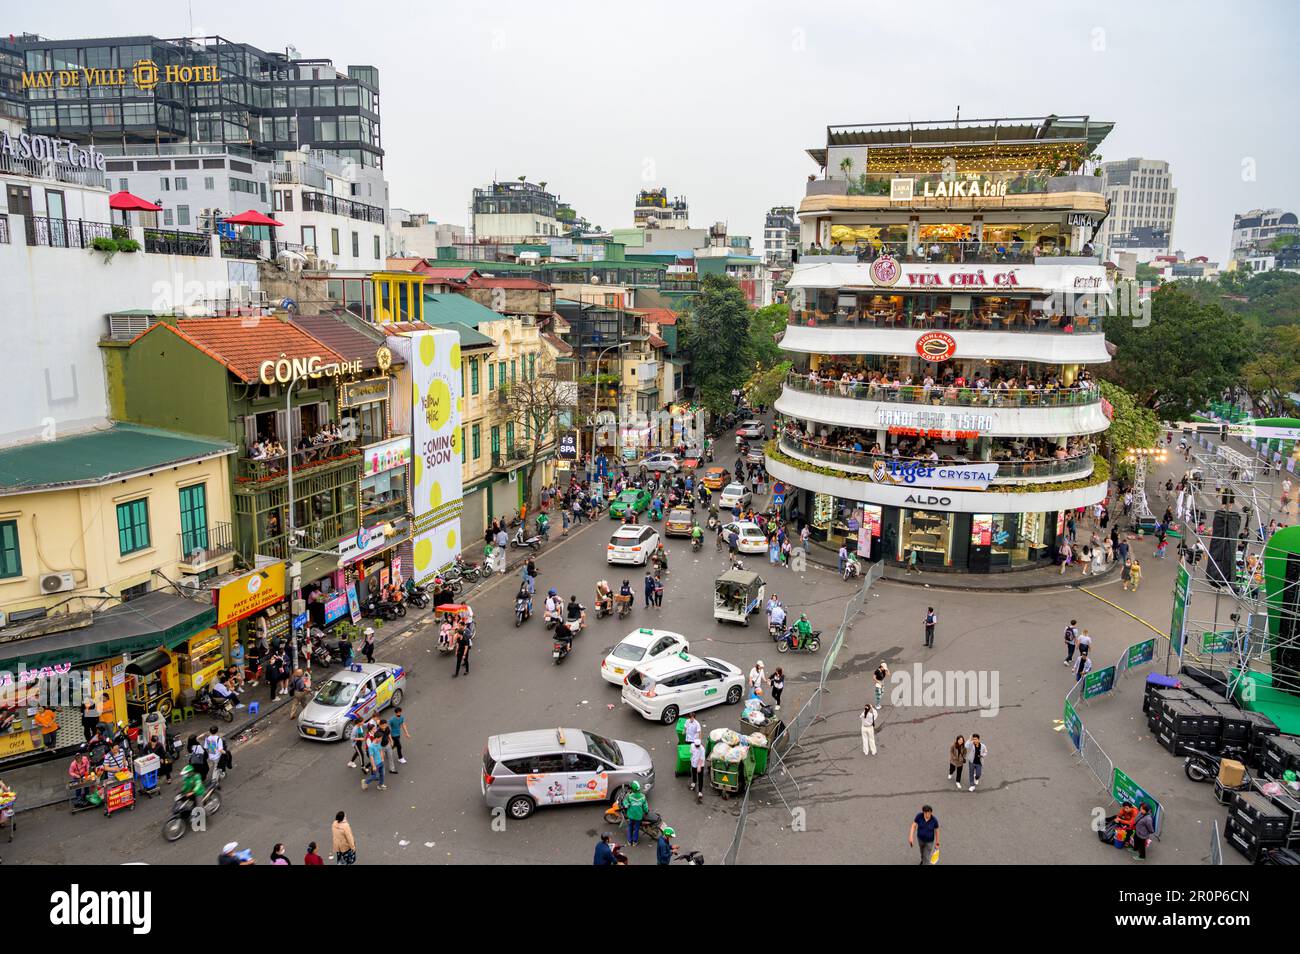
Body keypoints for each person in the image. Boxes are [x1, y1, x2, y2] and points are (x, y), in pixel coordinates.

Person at [621, 780, 648, 846]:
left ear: (632, 789)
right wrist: (646, 811)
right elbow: (645, 807)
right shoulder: (643, 796)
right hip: (638, 816)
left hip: (631, 815)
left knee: (630, 826)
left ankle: (629, 841)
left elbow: (625, 804)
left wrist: (626, 805)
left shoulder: (629, 796)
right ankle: (635, 842)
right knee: (636, 828)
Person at [689, 738, 708, 802]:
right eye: (696, 746)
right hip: (693, 762)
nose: (697, 747)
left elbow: (701, 759)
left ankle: (700, 791)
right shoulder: (692, 746)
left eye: (698, 746)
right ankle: (694, 782)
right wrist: (691, 760)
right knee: (693, 772)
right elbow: (691, 753)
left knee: (700, 777)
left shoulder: (702, 749)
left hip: (700, 764)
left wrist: (699, 766)